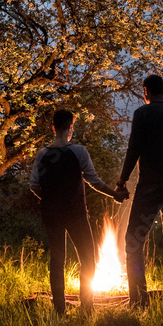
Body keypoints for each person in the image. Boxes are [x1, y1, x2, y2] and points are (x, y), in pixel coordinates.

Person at [30, 109, 125, 315]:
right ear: (70, 128)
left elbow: (34, 185)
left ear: (54, 128)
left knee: (57, 260)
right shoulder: (79, 151)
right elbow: (94, 180)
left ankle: (59, 310)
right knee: (88, 258)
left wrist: (48, 200)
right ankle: (87, 308)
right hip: (76, 213)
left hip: (51, 214)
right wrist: (114, 194)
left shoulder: (42, 154)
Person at [115, 74, 163, 311]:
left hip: (150, 186)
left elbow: (133, 148)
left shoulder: (142, 114)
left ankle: (138, 302)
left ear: (145, 90)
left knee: (133, 241)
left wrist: (122, 180)